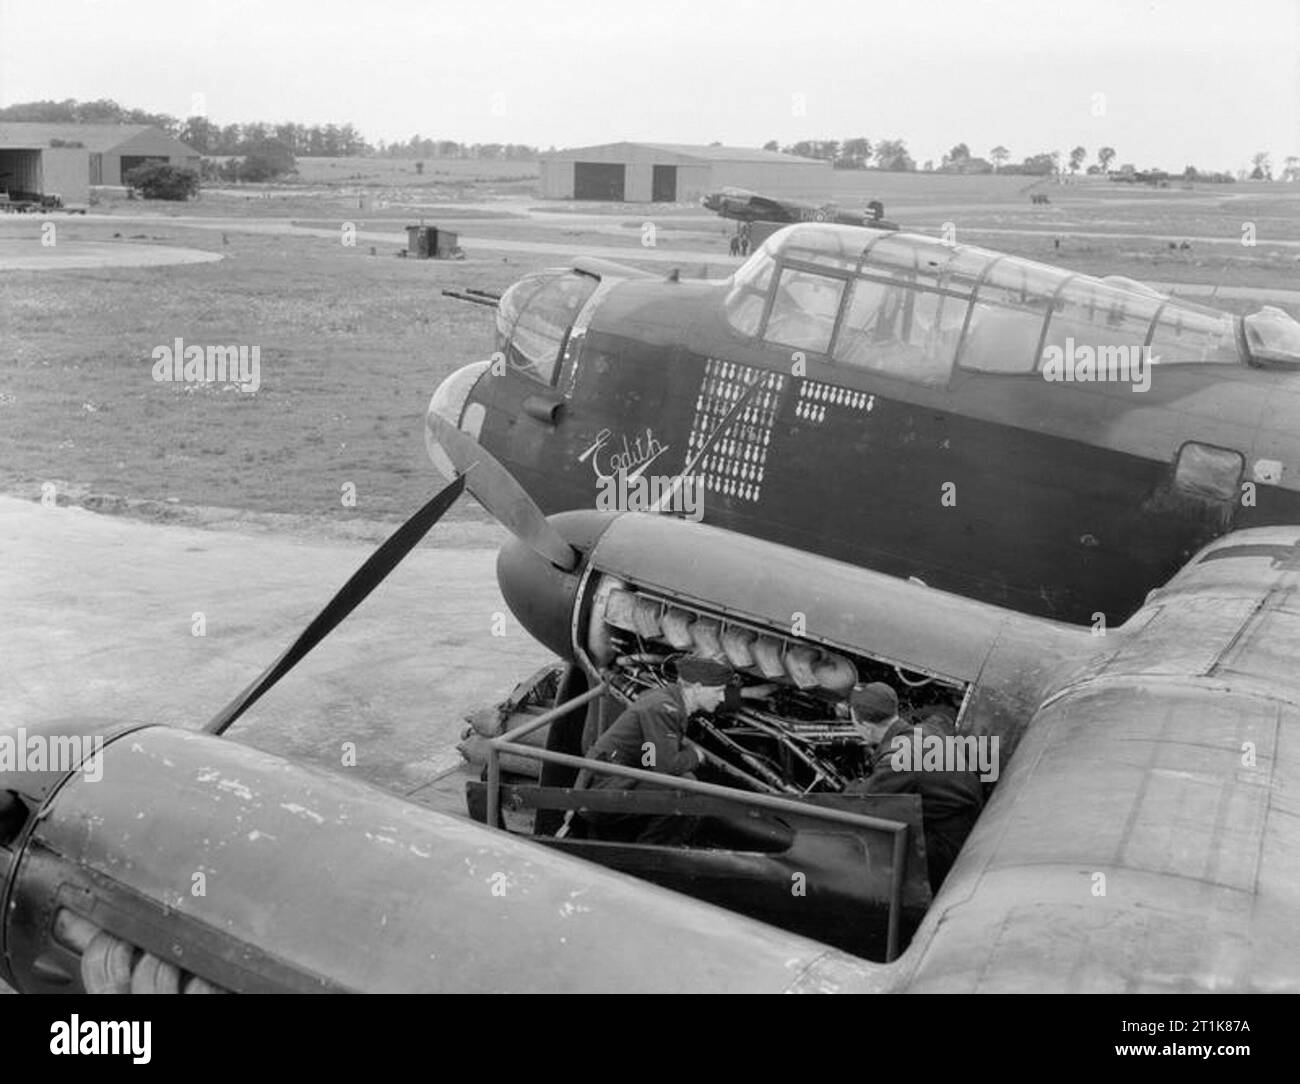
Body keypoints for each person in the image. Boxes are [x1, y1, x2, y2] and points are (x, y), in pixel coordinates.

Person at [572, 656, 732, 844]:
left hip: (608, 783)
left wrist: (753, 693)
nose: (722, 698)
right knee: (689, 791)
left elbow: (651, 758)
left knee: (685, 781)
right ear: (696, 688)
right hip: (601, 792)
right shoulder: (663, 708)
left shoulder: (663, 697)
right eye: (718, 691)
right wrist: (696, 756)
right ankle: (651, 855)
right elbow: (666, 766)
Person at [849, 706, 983, 893]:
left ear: (866, 726)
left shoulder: (897, 760)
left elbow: (859, 802)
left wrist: (852, 784)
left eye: (854, 722)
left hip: (951, 850)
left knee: (867, 847)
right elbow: (944, 715)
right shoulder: (929, 729)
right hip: (970, 824)